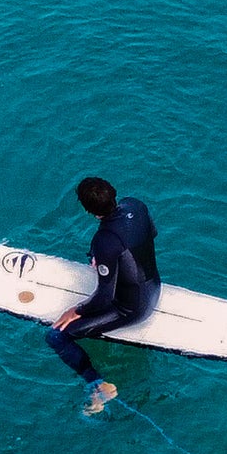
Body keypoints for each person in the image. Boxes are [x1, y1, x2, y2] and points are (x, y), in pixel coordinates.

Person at [46, 176, 157, 414]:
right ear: (114, 192)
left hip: (132, 308)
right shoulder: (135, 205)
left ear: (88, 210)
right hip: (154, 287)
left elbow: (104, 298)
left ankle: (98, 385)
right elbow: (151, 234)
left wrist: (77, 310)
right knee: (96, 256)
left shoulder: (104, 240)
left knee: (55, 337)